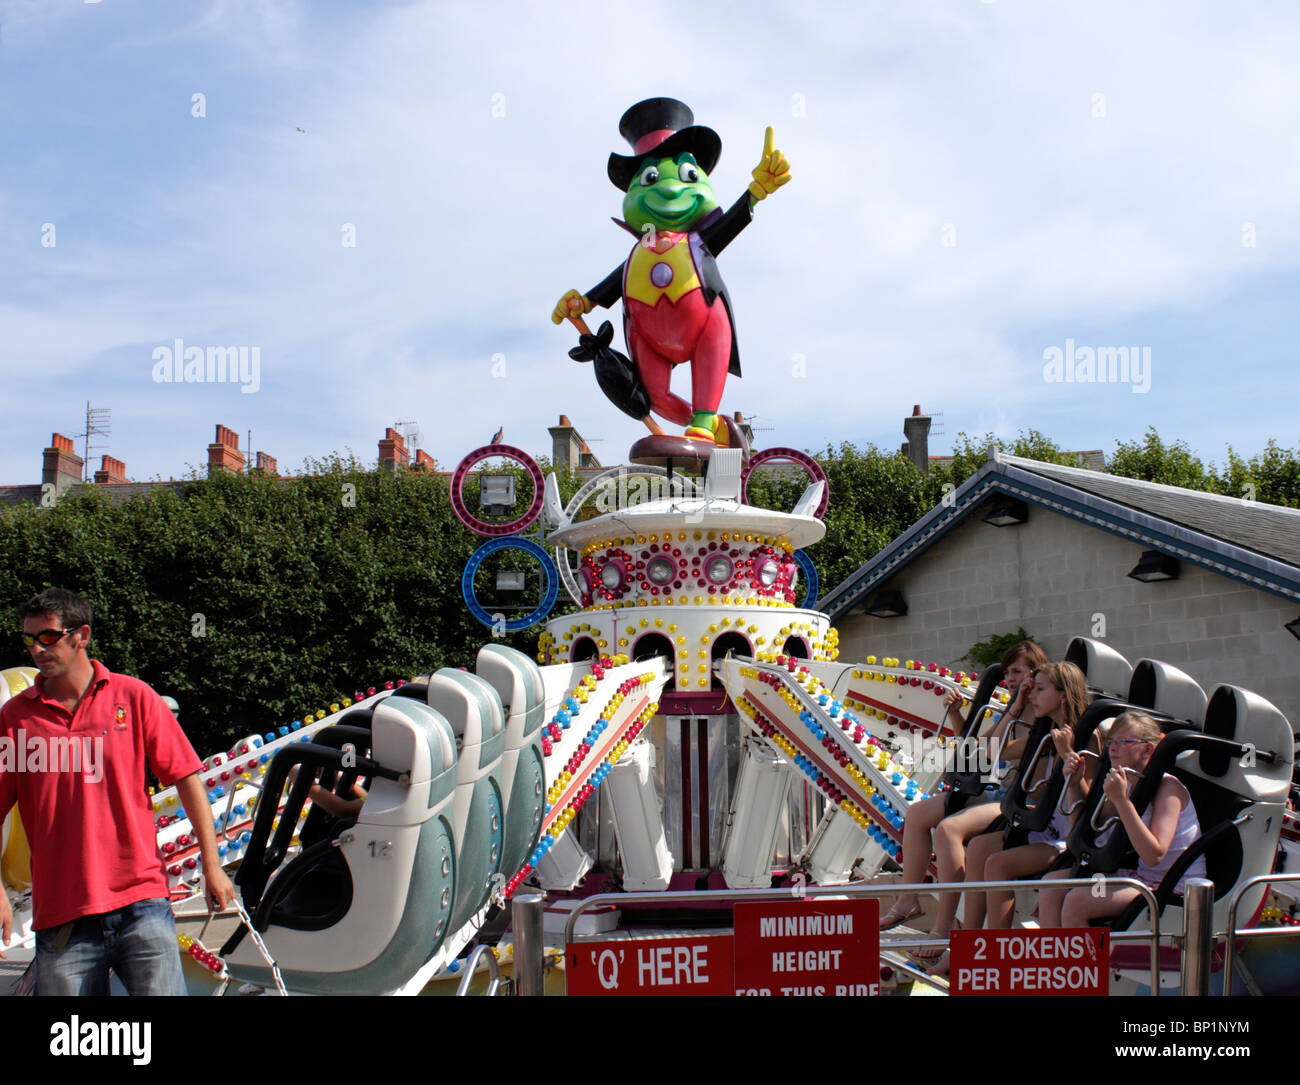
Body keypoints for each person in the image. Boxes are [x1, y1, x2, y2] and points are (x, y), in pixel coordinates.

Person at [0, 588, 236, 995]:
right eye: (30, 639)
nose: (38, 649)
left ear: (81, 636)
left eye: (48, 637)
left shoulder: (134, 696)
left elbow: (188, 779)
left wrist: (213, 866)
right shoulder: (15, 717)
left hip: (140, 901)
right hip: (61, 915)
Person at [925, 660, 1093, 973]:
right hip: (1046, 826)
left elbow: (1087, 801)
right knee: (978, 848)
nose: (1032, 696)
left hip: (1070, 836)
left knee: (997, 863)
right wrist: (1014, 707)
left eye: (1040, 690)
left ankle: (992, 957)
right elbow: (991, 751)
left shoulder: (1088, 738)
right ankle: (966, 945)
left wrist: (1068, 755)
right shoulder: (1047, 734)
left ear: (1063, 695)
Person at [881, 640, 1047, 934]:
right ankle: (908, 900)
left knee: (947, 829)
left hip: (1020, 801)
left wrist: (1016, 707)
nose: (1010, 679)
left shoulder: (1043, 718)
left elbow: (993, 750)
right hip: (999, 791)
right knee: (918, 814)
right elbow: (974, 746)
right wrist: (958, 713)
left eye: (1018, 672)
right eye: (1007, 672)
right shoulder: (1016, 712)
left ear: (1036, 674)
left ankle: (943, 925)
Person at [1039, 711, 1205, 928]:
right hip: (1140, 876)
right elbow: (1085, 829)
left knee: (1077, 901)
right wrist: (1074, 783)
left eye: (1123, 742)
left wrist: (1122, 801)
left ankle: (1083, 963)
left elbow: (1154, 854)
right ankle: (1054, 961)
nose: (1113, 748)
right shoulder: (1127, 780)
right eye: (1111, 742)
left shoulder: (1168, 788)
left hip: (1173, 885)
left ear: (1148, 749)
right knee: (1050, 886)